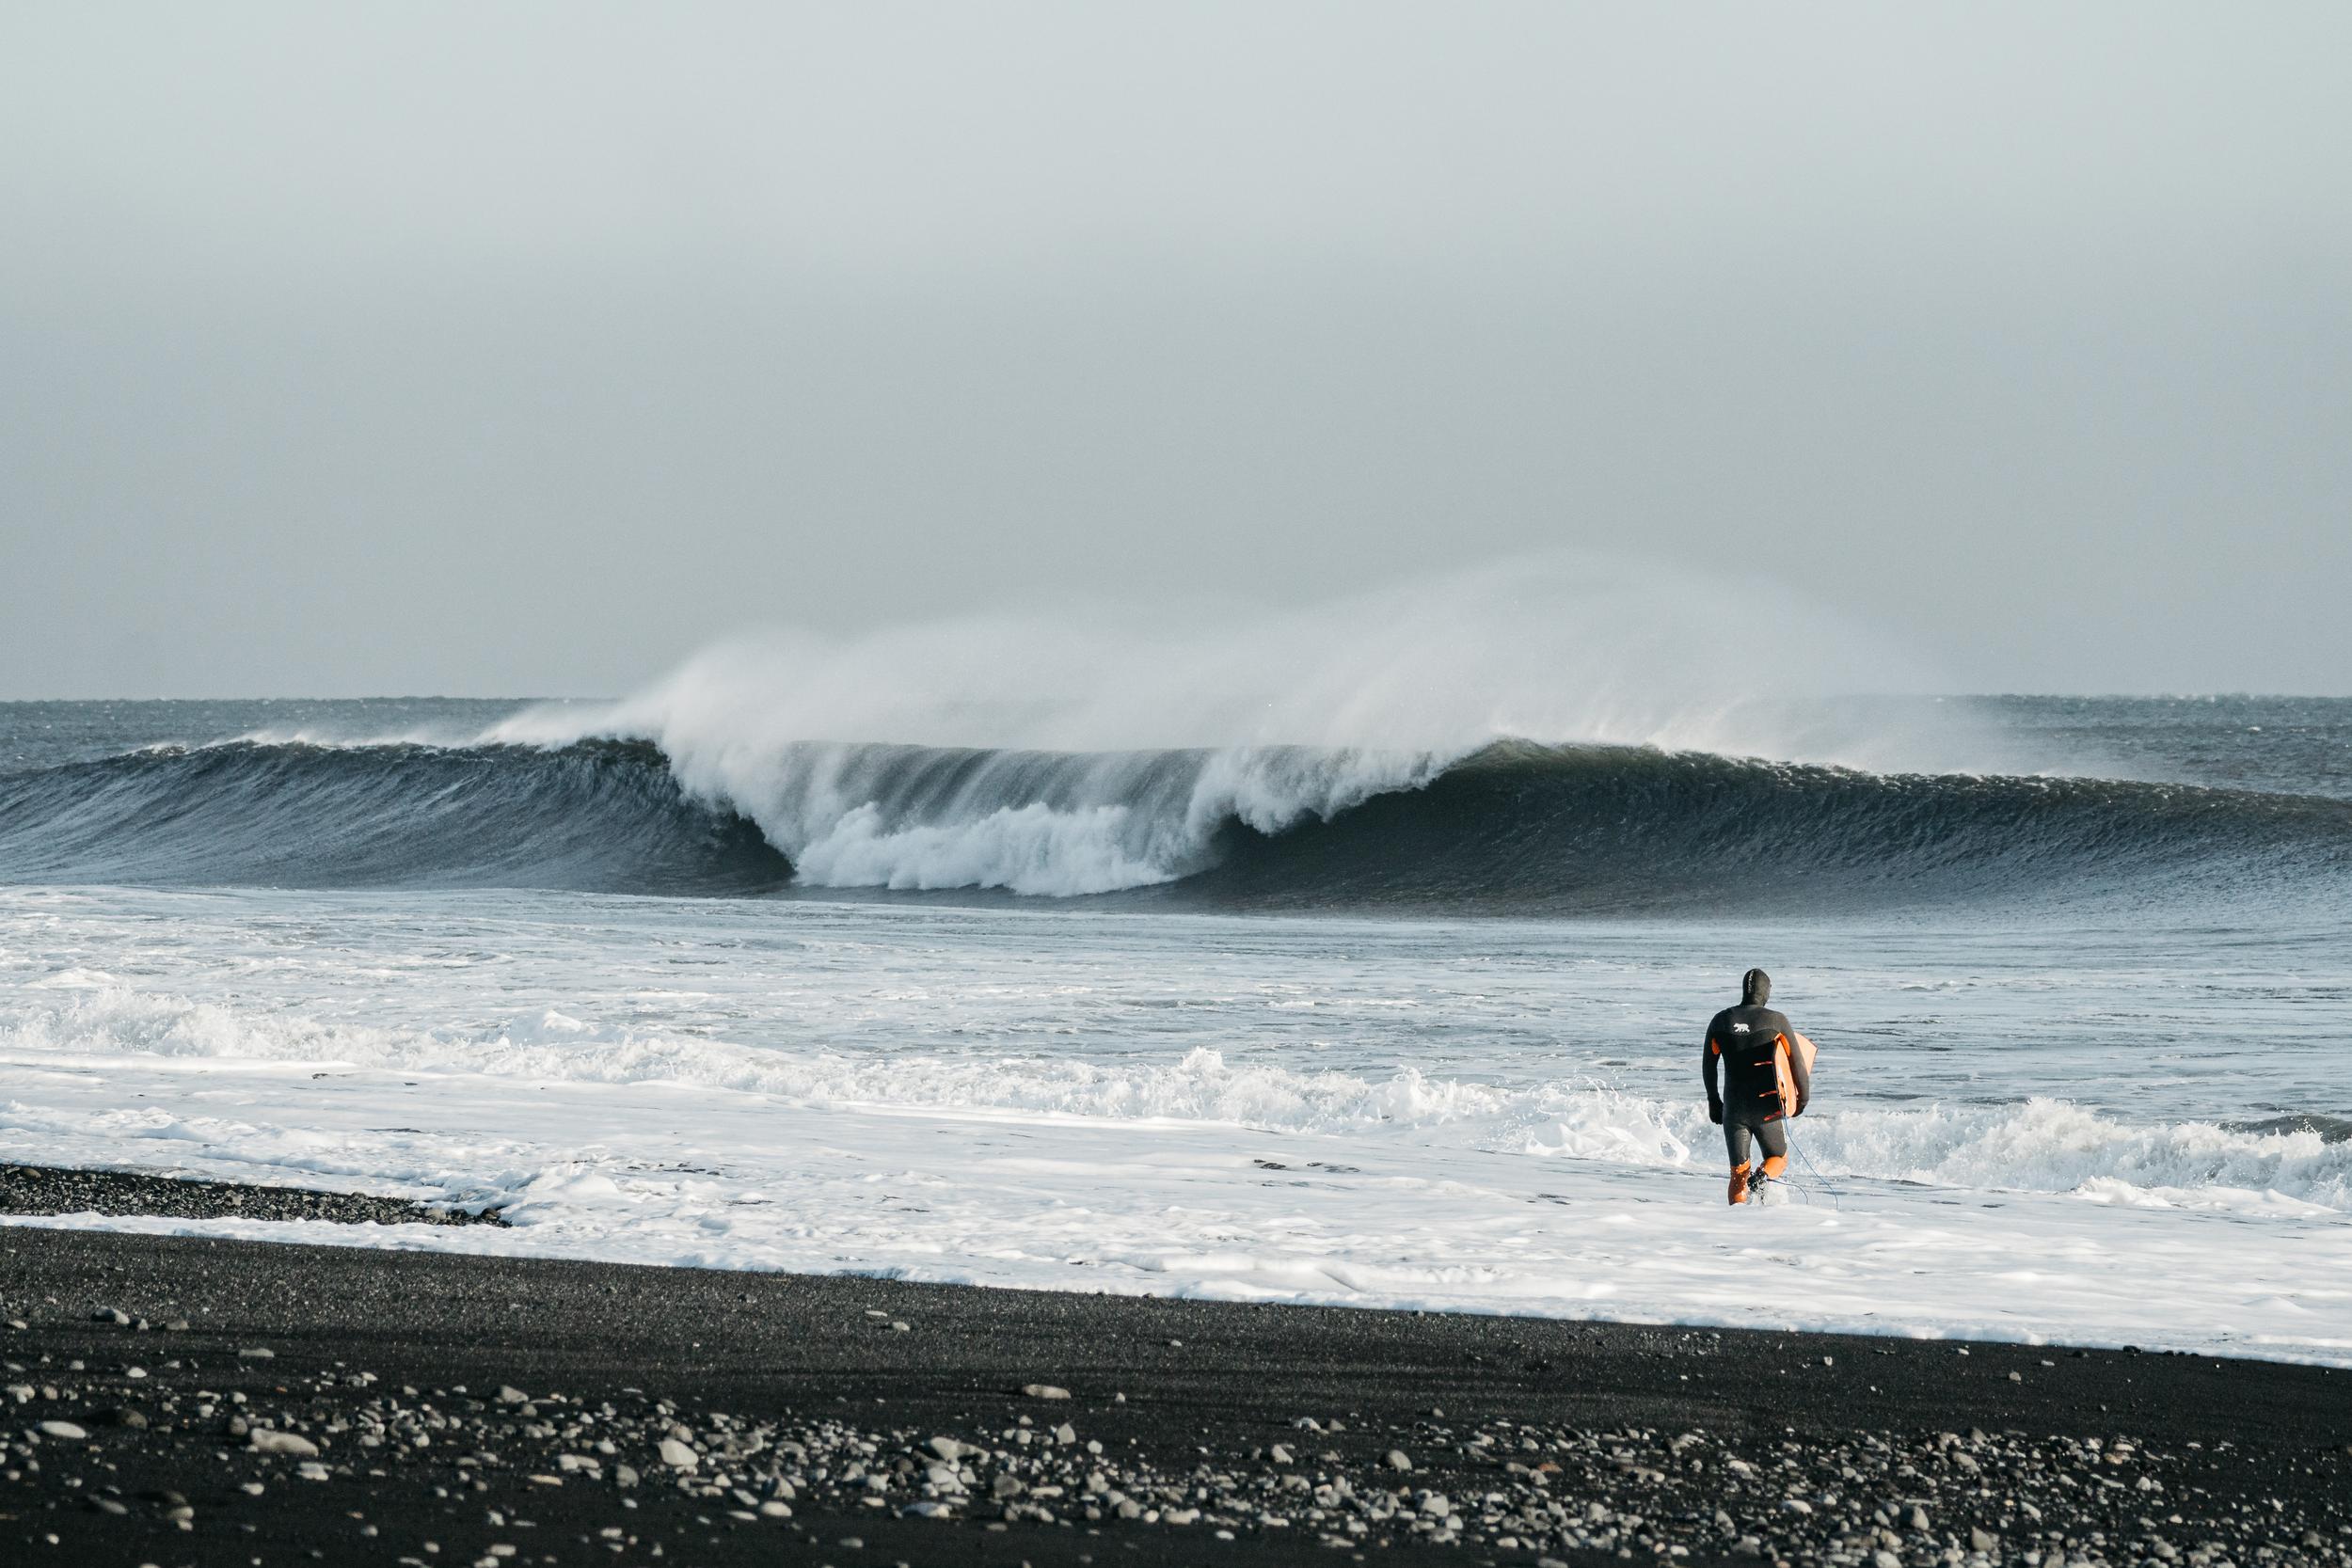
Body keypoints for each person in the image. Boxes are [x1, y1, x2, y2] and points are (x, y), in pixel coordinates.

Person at [1702, 967, 1811, 1205]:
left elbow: (1708, 1065)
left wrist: (1713, 1101)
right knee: (1778, 1158)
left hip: (1733, 1110)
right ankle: (1761, 1177)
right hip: (1766, 1109)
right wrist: (1802, 1100)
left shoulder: (1721, 1020)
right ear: (1766, 991)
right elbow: (1797, 1064)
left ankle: (1736, 1222)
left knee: (1738, 1173)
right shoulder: (1776, 1020)